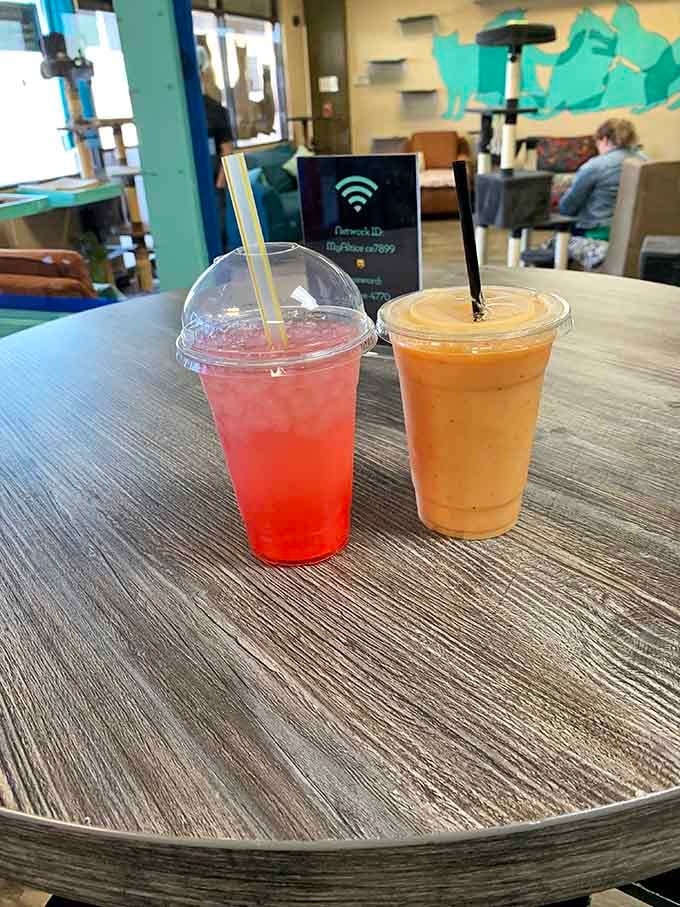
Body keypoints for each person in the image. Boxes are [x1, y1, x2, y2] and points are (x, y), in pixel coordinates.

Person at [559, 118, 647, 241]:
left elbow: (567, 207)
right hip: (634, 231)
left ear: (604, 139)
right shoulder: (644, 161)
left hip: (599, 232)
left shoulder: (594, 166)